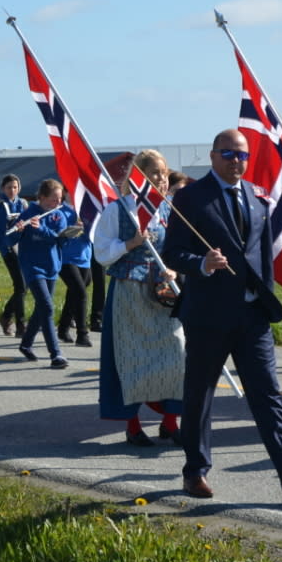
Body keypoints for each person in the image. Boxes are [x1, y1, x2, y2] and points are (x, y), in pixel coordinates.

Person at [161, 129, 282, 504]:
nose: (235, 161)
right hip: (207, 315)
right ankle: (195, 472)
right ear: (212, 156)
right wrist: (201, 264)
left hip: (252, 314)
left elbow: (263, 259)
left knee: (268, 395)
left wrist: (265, 297)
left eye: (242, 155)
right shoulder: (190, 198)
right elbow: (172, 253)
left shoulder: (258, 198)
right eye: (228, 154)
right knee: (200, 394)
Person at [91, 149, 185, 447]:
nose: (159, 178)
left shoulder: (170, 210)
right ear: (138, 176)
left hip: (163, 295)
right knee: (131, 360)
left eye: (162, 172)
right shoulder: (118, 210)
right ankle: (132, 426)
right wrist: (130, 243)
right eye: (153, 172)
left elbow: (177, 250)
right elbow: (102, 253)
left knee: (176, 355)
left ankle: (170, 423)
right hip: (129, 293)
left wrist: (173, 269)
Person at [12, 179, 71, 370]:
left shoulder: (59, 215)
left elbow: (60, 240)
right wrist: (18, 230)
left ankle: (26, 343)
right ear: (42, 198)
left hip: (51, 266)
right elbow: (11, 238)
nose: (57, 203)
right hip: (32, 266)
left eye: (59, 199)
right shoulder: (28, 213)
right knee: (47, 306)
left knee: (41, 308)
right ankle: (56, 354)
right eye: (53, 200)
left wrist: (44, 229)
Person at [0, 175, 28, 337]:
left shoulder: (23, 204)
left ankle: (6, 315)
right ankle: (21, 325)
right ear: (3, 189)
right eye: (9, 187)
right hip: (7, 248)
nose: (12, 190)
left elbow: (29, 221)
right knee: (20, 286)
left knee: (23, 286)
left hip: (23, 247)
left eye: (15, 187)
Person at [56, 201, 93, 349]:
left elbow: (95, 233)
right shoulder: (61, 211)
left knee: (74, 293)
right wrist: (72, 228)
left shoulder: (88, 209)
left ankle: (63, 328)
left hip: (84, 257)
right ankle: (82, 334)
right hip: (66, 258)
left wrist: (88, 228)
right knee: (80, 293)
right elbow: (58, 234)